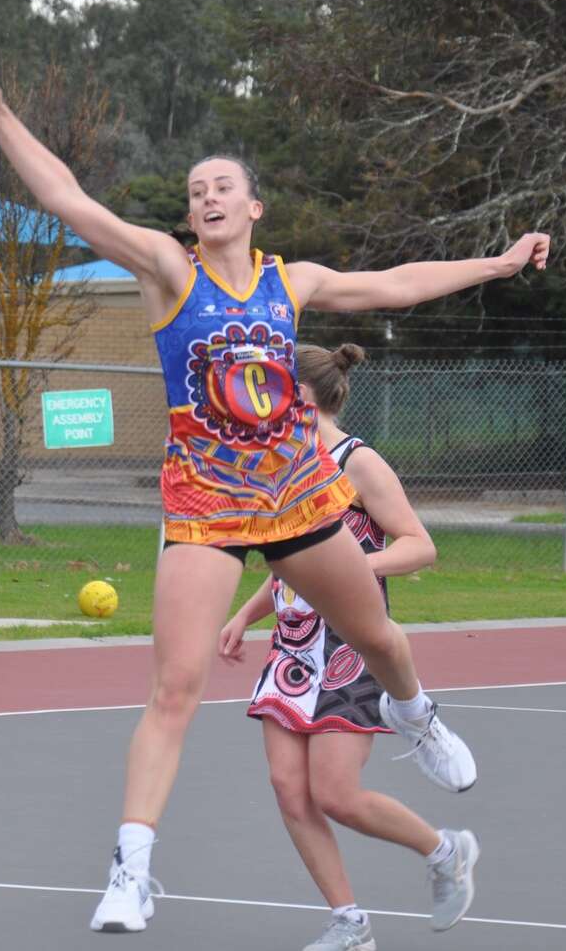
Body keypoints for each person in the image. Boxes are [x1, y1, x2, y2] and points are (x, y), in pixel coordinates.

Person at [0, 66, 548, 934]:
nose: (207, 196)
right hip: (205, 508)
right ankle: (131, 868)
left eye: (223, 185)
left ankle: (418, 717)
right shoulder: (166, 271)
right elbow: (72, 202)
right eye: (196, 191)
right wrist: (1, 120)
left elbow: (397, 283)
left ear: (253, 207)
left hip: (298, 499)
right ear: (190, 217)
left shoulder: (289, 282)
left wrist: (500, 260)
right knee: (173, 690)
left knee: (376, 634)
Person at [220, 344, 475, 946]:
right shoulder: (281, 463)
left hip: (351, 646)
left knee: (335, 794)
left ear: (301, 398)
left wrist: (359, 571)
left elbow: (420, 544)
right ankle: (349, 923)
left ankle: (446, 853)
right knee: (288, 787)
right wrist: (246, 613)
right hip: (293, 650)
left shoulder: (356, 462)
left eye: (274, 392)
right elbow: (293, 561)